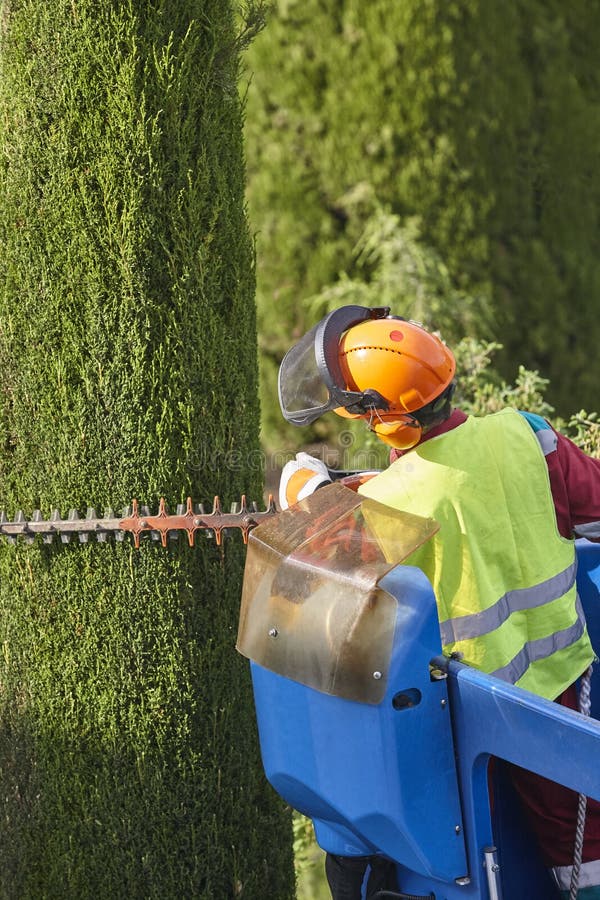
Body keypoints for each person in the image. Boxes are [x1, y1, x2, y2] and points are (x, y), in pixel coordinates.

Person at [277, 304, 600, 900]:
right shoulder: (528, 434)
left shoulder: (393, 503)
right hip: (563, 691)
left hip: (461, 715)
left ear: (385, 419)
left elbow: (312, 580)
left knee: (465, 860)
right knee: (582, 852)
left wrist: (309, 496)